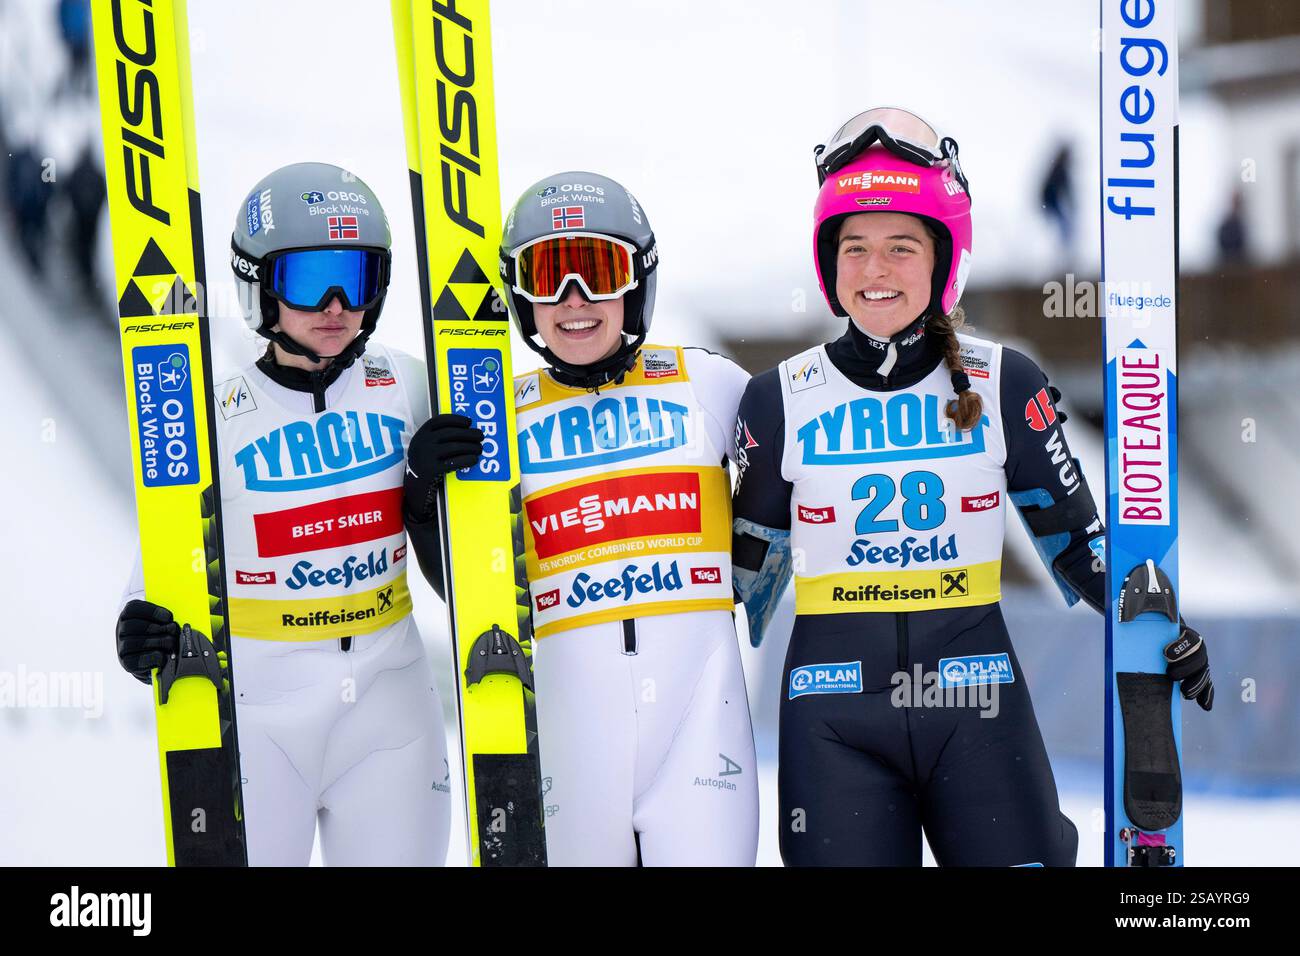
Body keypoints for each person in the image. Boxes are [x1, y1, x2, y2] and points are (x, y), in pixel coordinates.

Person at [730, 108, 1214, 866]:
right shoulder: (776, 398)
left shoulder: (1001, 382)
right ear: (830, 266)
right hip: (831, 717)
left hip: (976, 706)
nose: (875, 271)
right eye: (854, 249)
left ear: (941, 260)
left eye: (900, 247)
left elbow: (1082, 542)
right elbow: (721, 578)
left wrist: (1160, 629)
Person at [403, 171, 759, 866]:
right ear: (518, 295)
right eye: (547, 276)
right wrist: (420, 500)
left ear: (638, 282)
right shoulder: (495, 421)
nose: (574, 300)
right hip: (572, 747)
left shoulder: (712, 386)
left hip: (701, 743)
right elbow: (471, 594)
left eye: (599, 270)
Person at [115, 163, 450, 866]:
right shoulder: (212, 412)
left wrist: (429, 497)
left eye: (354, 279)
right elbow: (166, 549)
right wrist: (137, 621)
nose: (334, 305)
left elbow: (468, 556)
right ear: (259, 288)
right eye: (308, 281)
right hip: (262, 716)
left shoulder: (412, 384)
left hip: (391, 710)